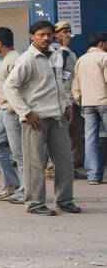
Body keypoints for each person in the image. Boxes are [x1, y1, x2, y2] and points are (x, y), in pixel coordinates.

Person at [4, 20, 78, 216]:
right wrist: (25, 112)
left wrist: (67, 104)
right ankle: (35, 203)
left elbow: (58, 84)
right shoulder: (27, 59)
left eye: (49, 34)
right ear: (32, 36)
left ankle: (65, 200)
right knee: (35, 163)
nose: (46, 38)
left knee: (64, 161)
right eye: (41, 35)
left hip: (57, 116)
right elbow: (10, 87)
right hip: (35, 119)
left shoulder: (55, 56)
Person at [0, 27, 25, 203]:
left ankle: (26, 190)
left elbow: (20, 86)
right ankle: (11, 182)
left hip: (12, 110)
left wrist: (14, 107)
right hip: (3, 110)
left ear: (0, 43)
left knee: (19, 153)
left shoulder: (15, 60)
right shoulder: (3, 60)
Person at [72, 30, 107, 185]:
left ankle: (93, 176)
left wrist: (80, 99)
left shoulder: (81, 60)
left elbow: (76, 84)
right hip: (104, 101)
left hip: (87, 103)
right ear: (102, 43)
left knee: (91, 139)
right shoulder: (104, 57)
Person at [51, 21, 84, 171]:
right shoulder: (57, 52)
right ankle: (54, 167)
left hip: (73, 99)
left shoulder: (71, 53)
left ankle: (72, 166)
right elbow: (58, 76)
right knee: (62, 136)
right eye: (64, 31)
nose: (67, 34)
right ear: (56, 35)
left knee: (75, 136)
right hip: (64, 100)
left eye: (69, 31)